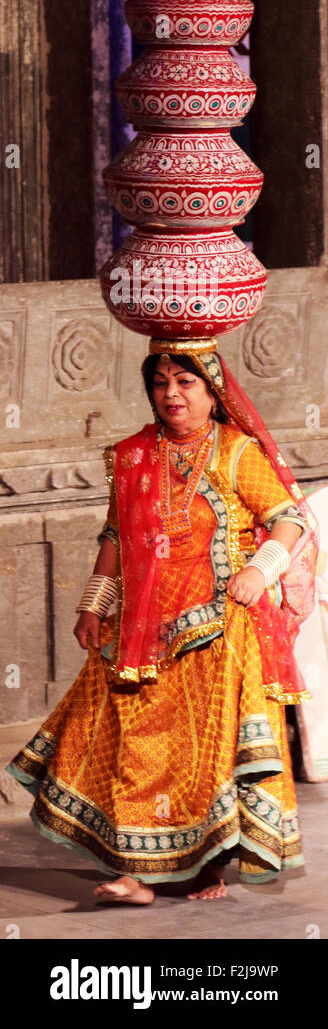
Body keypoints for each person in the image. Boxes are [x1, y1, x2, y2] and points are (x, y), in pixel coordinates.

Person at [6, 338, 318, 905]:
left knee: (204, 754)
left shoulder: (236, 452)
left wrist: (257, 569)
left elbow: (289, 519)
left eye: (185, 382)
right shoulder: (132, 455)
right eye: (160, 383)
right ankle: (139, 871)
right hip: (140, 631)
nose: (171, 394)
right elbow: (115, 534)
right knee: (135, 742)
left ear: (211, 390)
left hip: (217, 631)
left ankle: (202, 867)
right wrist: (92, 604)